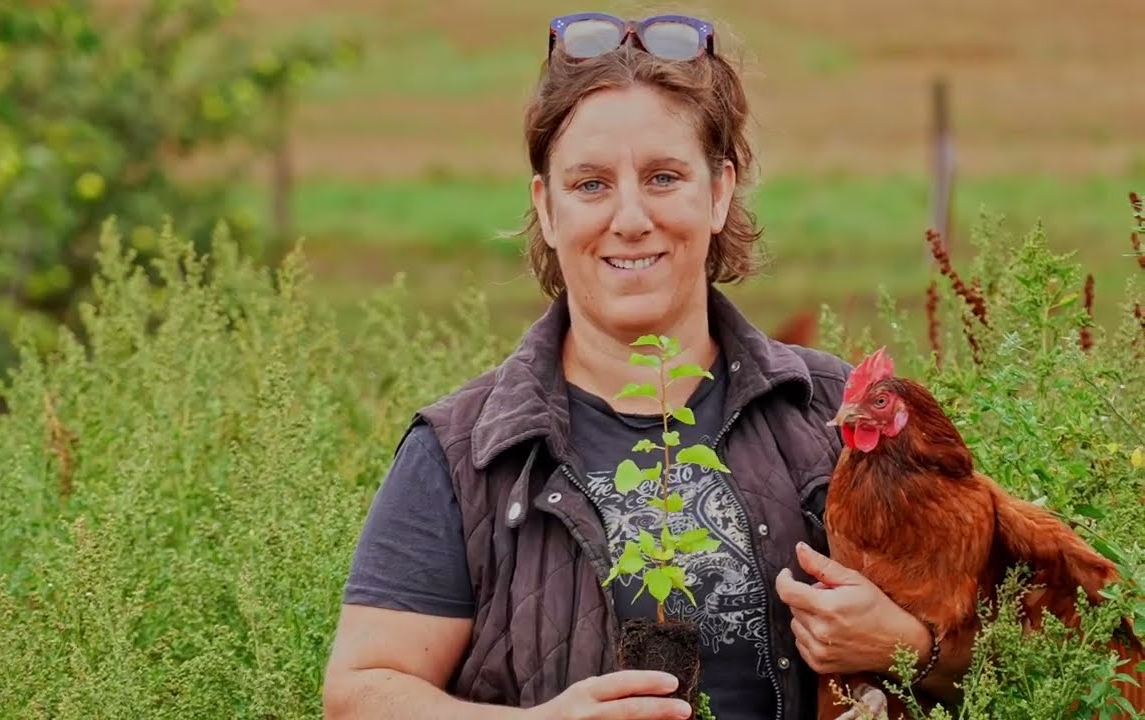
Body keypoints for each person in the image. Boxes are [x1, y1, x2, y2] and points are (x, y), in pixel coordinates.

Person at [322, 11, 972, 720]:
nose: (630, 217)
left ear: (719, 192)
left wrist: (905, 644)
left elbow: (1017, 651)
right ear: (546, 207)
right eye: (591, 184)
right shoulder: (464, 452)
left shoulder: (828, 413)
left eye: (664, 177)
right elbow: (360, 694)